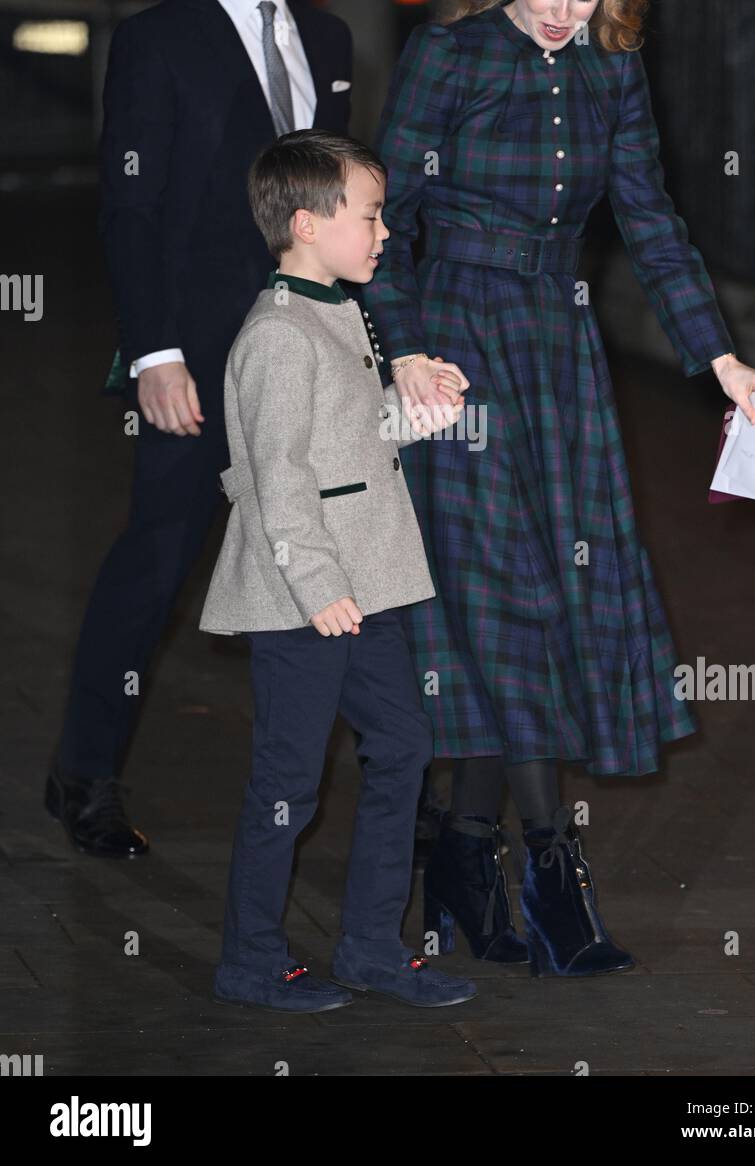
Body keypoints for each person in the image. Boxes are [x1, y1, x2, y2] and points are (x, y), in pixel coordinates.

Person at [360, 0, 755, 977]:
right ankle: (551, 874)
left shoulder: (610, 67)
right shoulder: (447, 57)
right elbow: (386, 222)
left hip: (557, 347)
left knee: (542, 602)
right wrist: (402, 348)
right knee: (512, 605)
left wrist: (718, 357)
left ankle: (458, 853)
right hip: (451, 350)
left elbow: (647, 216)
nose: (560, 15)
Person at [45, 0, 354, 858]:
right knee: (159, 556)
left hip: (309, 353)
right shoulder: (155, 41)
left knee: (330, 548)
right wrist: (153, 354)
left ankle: (337, 769)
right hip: (196, 360)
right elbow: (130, 215)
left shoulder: (332, 40)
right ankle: (83, 773)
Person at [201, 129, 476, 1012]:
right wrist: (318, 589)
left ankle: (370, 948)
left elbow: (347, 445)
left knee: (401, 749)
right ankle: (249, 958)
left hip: (366, 586)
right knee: (288, 782)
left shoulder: (338, 312)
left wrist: (413, 408)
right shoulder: (279, 335)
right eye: (372, 215)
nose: (386, 232)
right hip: (305, 596)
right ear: (311, 225)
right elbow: (278, 478)